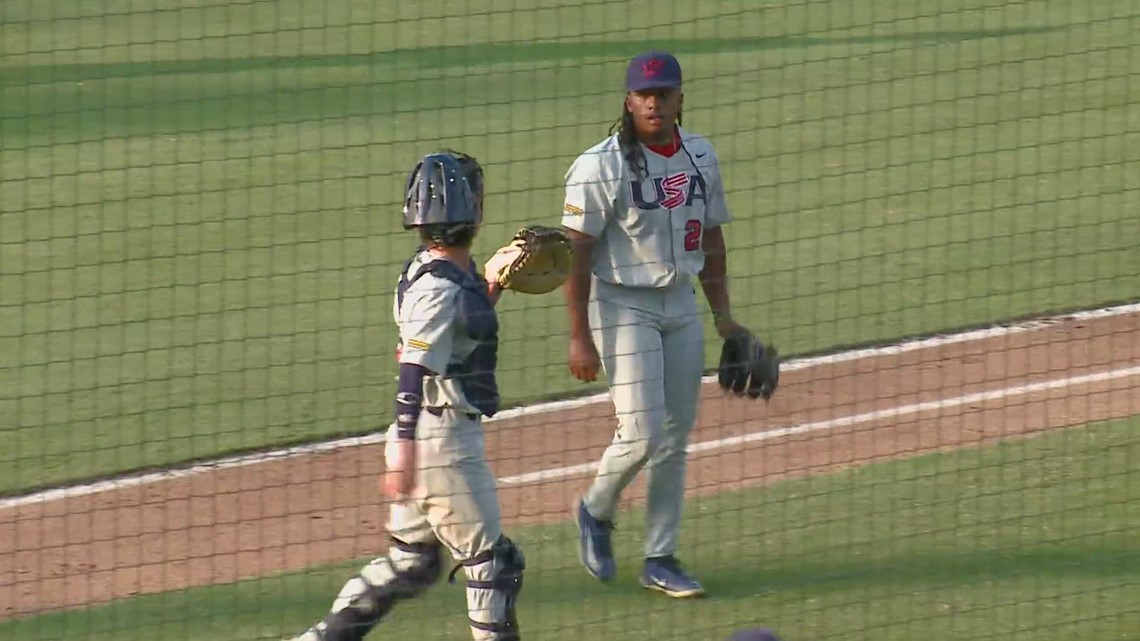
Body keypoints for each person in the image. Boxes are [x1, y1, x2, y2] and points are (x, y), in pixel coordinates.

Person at [288, 150, 526, 641]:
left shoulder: (435, 270)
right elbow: (414, 368)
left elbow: (448, 339)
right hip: (441, 444)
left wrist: (491, 286)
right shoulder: (438, 287)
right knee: (493, 567)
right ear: (474, 209)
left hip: (432, 433)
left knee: (413, 563)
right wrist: (404, 449)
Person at [559, 51, 749, 598]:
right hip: (622, 305)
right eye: (644, 95)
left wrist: (724, 318)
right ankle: (595, 510)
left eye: (663, 93)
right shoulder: (600, 166)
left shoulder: (701, 157)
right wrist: (579, 334)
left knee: (674, 438)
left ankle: (660, 557)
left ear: (679, 98)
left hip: (680, 303)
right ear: (628, 101)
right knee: (641, 432)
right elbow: (576, 252)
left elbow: (712, 240)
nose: (653, 102)